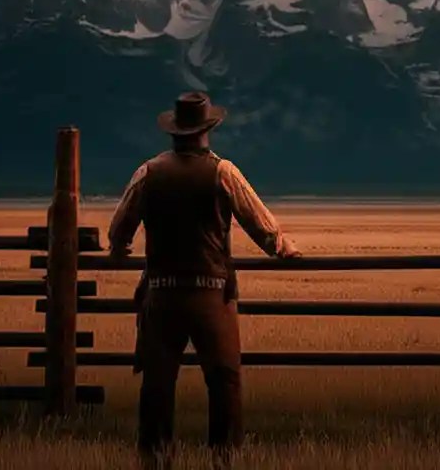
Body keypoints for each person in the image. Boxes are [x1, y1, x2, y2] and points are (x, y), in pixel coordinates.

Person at [107, 91, 302, 469]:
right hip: (211, 295)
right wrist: (282, 248)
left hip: (162, 296)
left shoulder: (149, 172)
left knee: (158, 386)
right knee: (224, 381)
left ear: (175, 131)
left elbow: (120, 228)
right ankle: (223, 459)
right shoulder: (222, 172)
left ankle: (156, 460)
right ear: (207, 130)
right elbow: (259, 222)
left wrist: (118, 250)